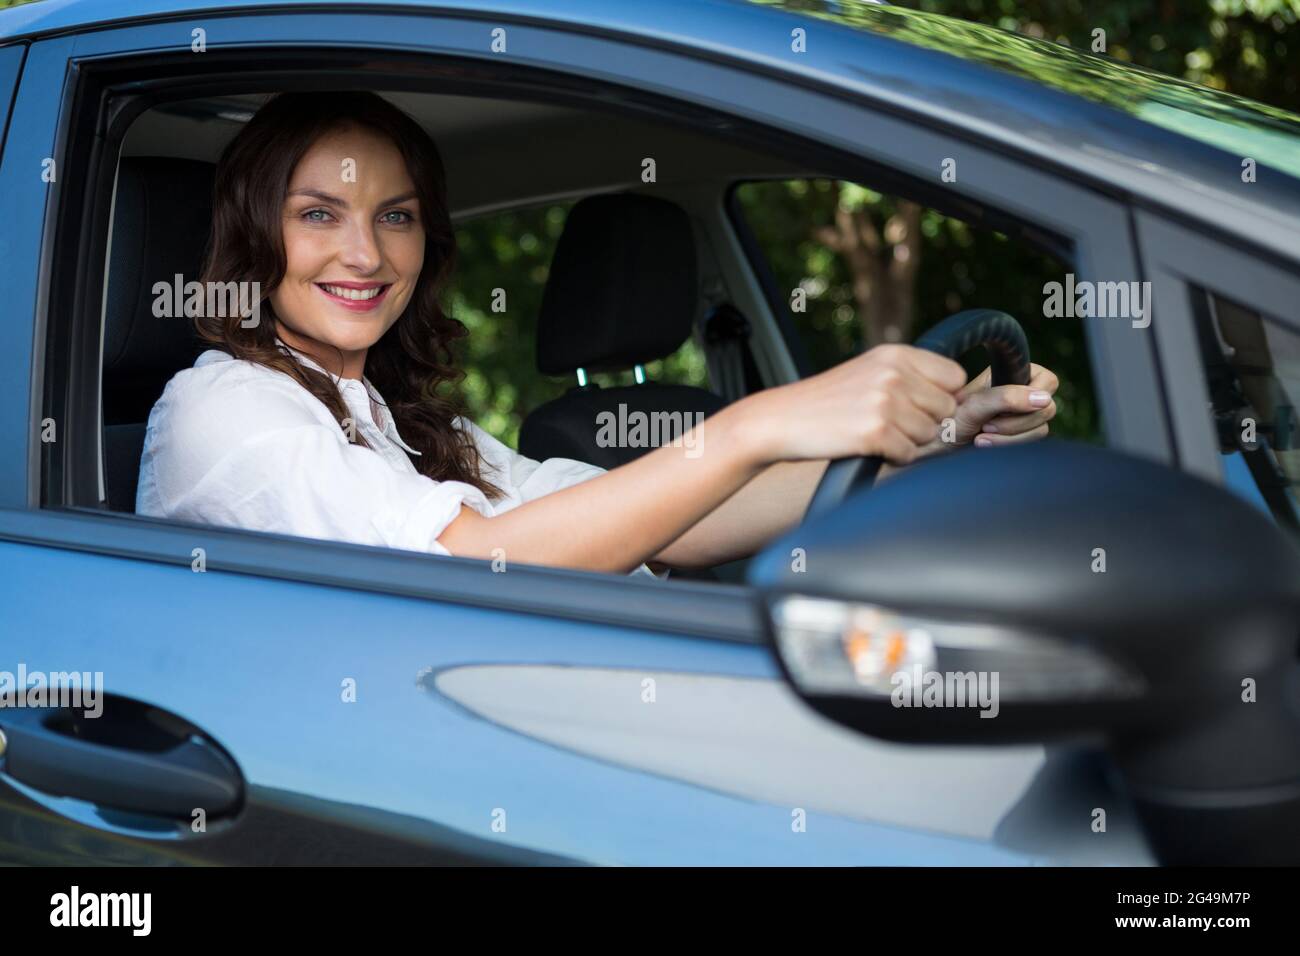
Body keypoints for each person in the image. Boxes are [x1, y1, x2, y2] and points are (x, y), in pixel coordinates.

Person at [137, 92, 1058, 577]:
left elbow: (675, 530)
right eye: (318, 213)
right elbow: (476, 567)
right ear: (253, 235)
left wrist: (931, 440)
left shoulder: (400, 422)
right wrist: (759, 421)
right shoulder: (222, 409)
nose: (366, 253)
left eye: (397, 216)